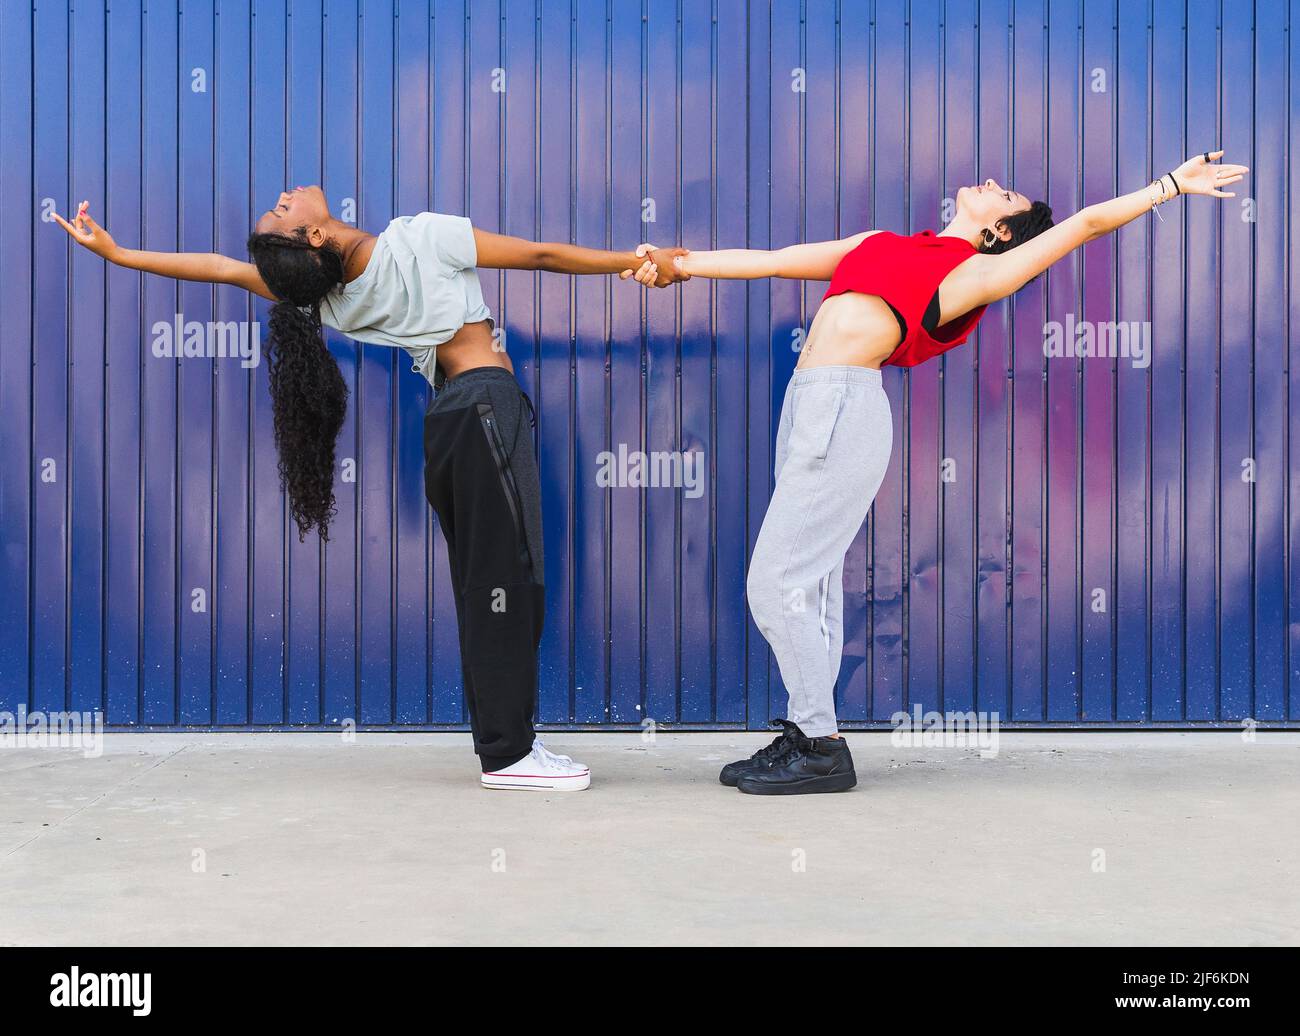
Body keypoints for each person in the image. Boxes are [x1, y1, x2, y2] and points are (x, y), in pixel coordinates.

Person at [636, 151, 1248, 795]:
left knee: (773, 582)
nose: (992, 182)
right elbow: (774, 260)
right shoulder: (880, 244)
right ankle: (806, 729)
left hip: (846, 406)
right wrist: (680, 265)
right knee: (807, 587)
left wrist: (1171, 186)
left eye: (1005, 194)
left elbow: (1088, 224)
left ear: (1000, 233)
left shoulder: (974, 273)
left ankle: (820, 744)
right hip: (808, 401)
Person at [54, 187, 687, 791]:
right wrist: (635, 260)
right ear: (316, 233)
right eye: (283, 209)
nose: (286, 194)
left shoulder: (330, 296)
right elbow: (542, 256)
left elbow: (220, 269)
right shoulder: (422, 238)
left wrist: (119, 254)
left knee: (488, 585)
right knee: (506, 583)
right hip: (484, 410)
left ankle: (506, 745)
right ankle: (511, 755)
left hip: (452, 424)